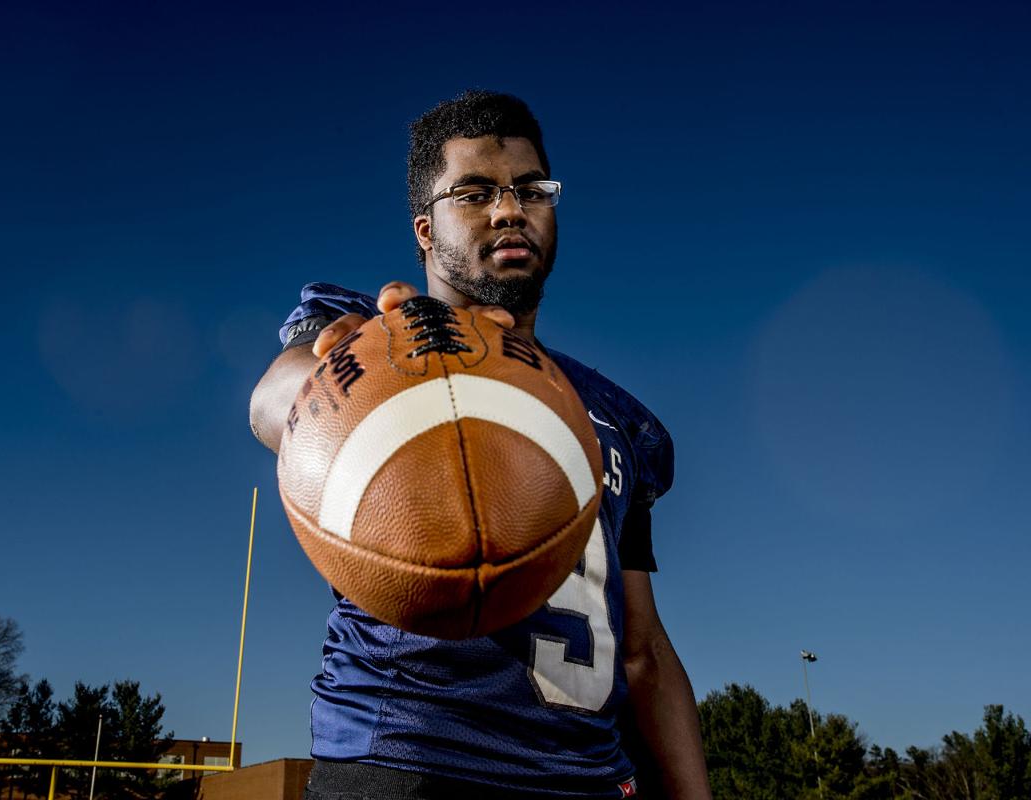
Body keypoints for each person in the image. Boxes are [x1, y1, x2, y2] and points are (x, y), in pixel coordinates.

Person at [249, 90, 711, 800]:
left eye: (531, 189)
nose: (508, 208)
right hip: (410, 763)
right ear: (426, 231)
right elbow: (277, 399)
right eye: (474, 192)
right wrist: (337, 382)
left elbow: (643, 649)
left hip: (585, 780)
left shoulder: (619, 419)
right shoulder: (375, 340)